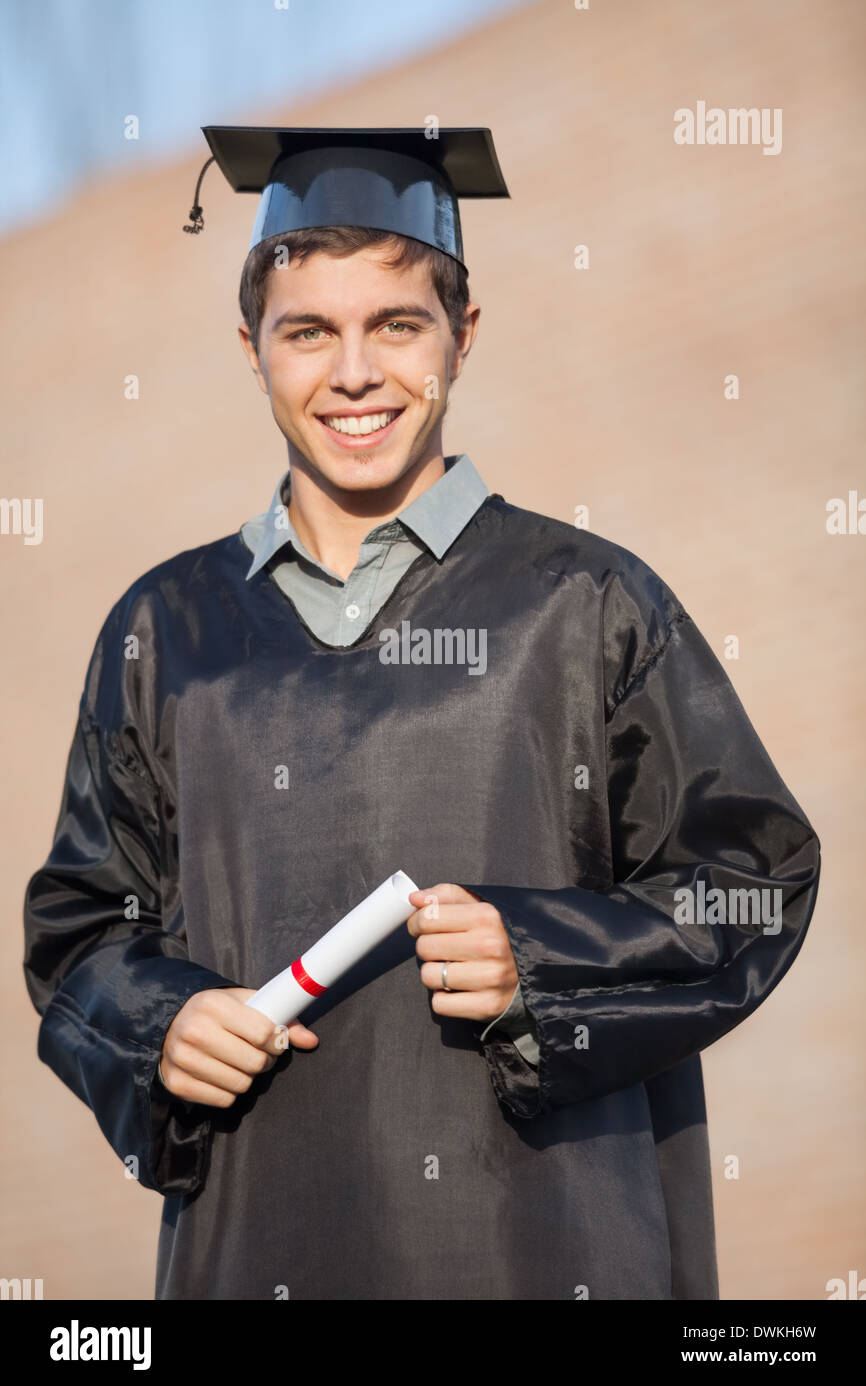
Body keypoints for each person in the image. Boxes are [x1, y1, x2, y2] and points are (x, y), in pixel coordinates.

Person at [23, 126, 821, 1300]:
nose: (354, 373)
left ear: (462, 337)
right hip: (256, 1251)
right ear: (252, 349)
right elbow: (83, 932)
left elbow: (748, 880)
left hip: (546, 1253)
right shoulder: (165, 634)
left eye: (396, 324)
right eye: (309, 331)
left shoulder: (589, 604)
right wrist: (159, 1023)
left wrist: (539, 957)